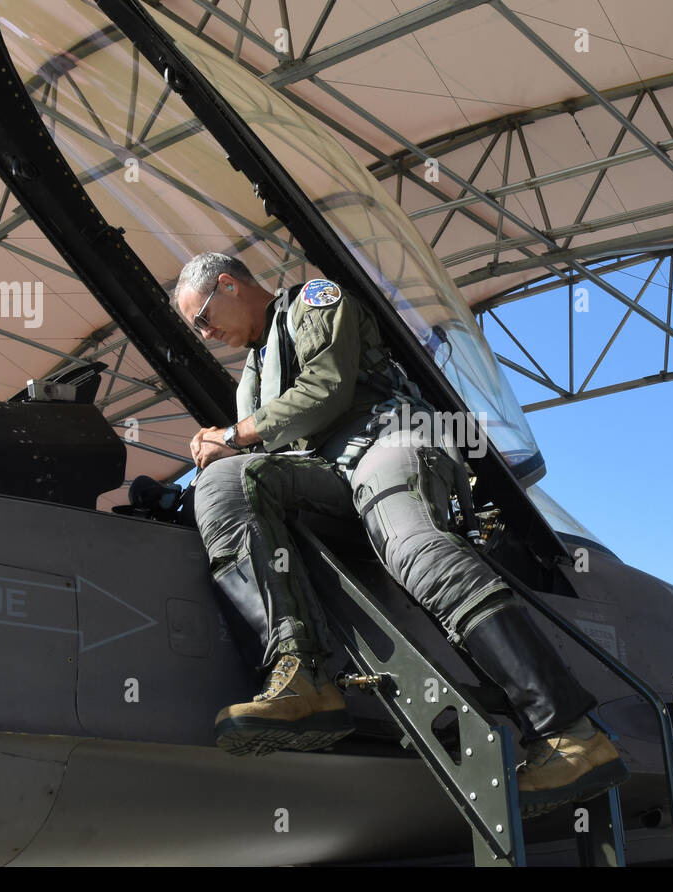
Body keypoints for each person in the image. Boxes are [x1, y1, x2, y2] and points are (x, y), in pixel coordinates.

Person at [174, 251, 628, 815]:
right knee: (223, 484)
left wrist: (235, 434)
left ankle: (571, 732)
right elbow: (270, 453)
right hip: (329, 476)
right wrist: (225, 450)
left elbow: (328, 388)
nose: (205, 332)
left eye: (201, 317)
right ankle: (300, 675)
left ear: (227, 284)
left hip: (386, 443)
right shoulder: (252, 375)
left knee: (416, 550)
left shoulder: (316, 302)